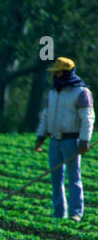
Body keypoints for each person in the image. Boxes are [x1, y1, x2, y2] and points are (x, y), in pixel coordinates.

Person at [34, 57, 93, 221]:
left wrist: (84, 140)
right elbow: (46, 116)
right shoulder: (53, 92)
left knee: (74, 177)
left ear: (66, 73)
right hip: (54, 140)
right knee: (55, 178)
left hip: (71, 140)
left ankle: (76, 212)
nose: (55, 75)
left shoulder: (81, 92)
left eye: (58, 72)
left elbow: (87, 118)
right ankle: (59, 213)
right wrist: (40, 137)